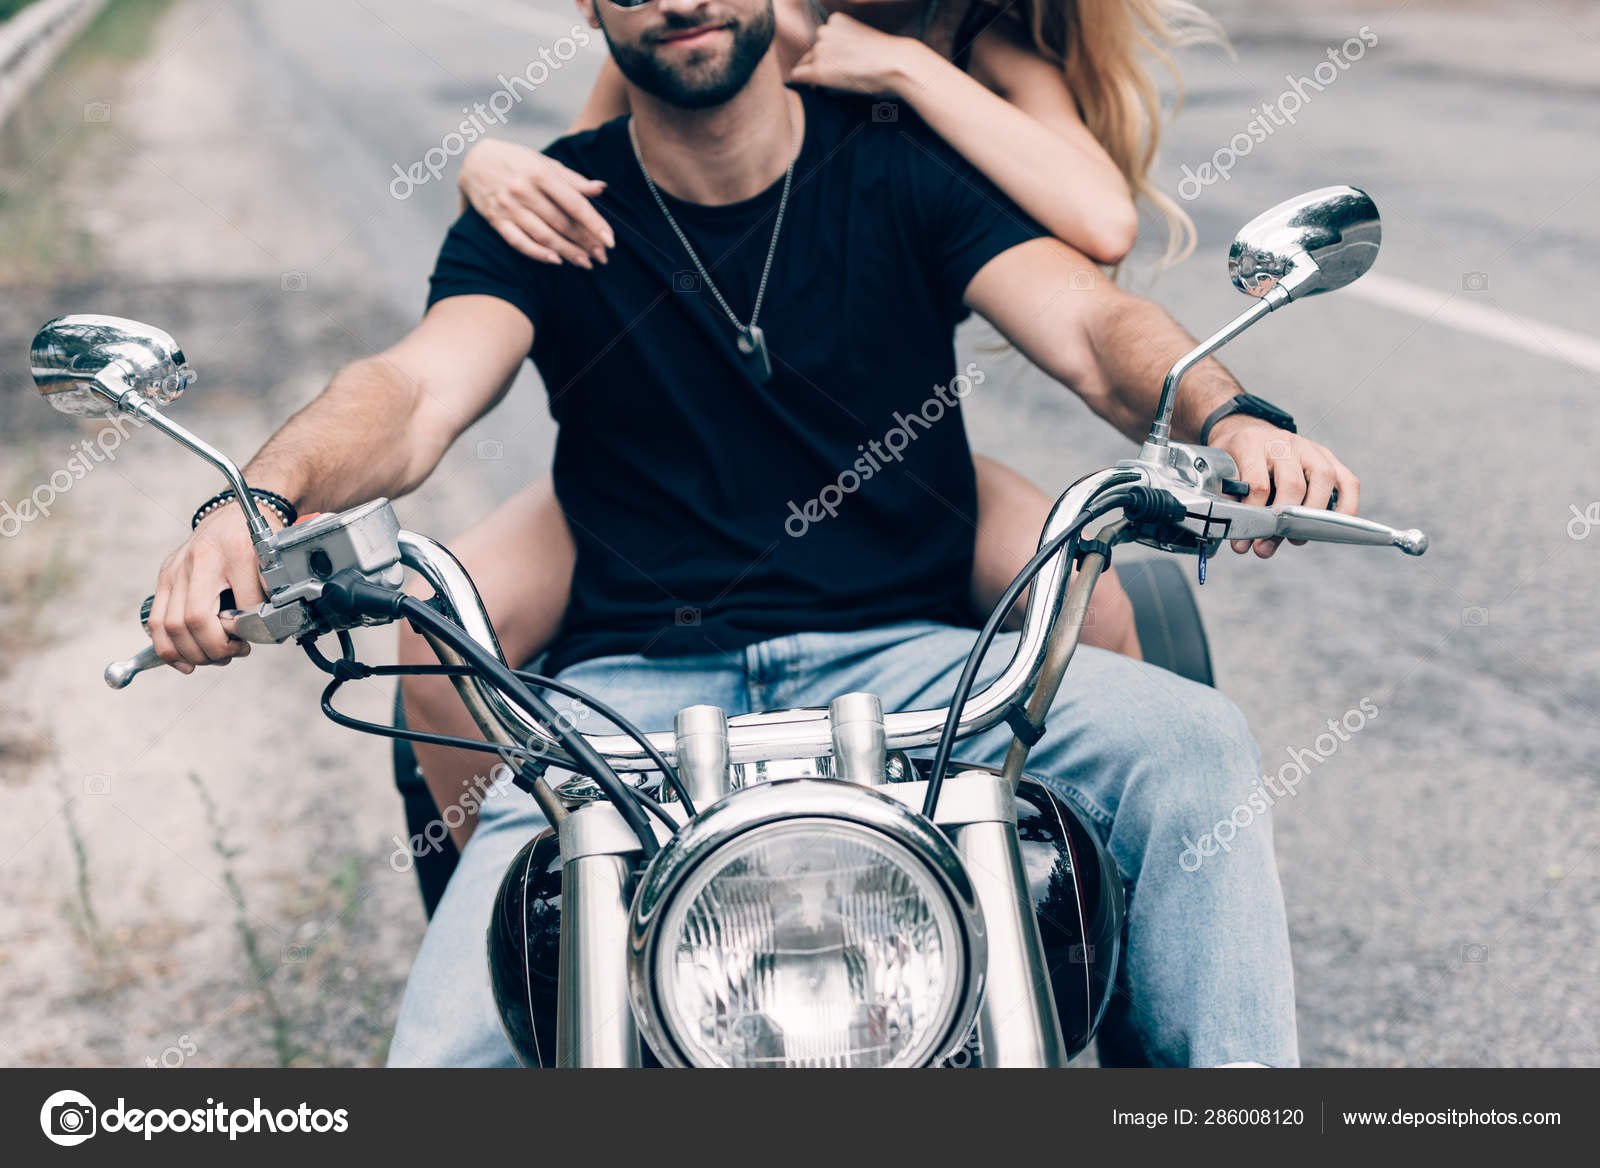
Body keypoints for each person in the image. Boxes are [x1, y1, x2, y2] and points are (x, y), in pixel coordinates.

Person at [148, 0, 1360, 1067]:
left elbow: (1096, 324)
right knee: (453, 1048)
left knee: (1191, 739)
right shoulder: (554, 214)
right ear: (590, 7)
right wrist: (254, 504)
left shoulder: (905, 170)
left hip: (918, 669)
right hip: (617, 717)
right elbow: (410, 394)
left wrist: (1226, 409)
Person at [399, 0, 1226, 840]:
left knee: (1089, 602)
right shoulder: (723, 17)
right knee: (433, 630)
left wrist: (900, 68)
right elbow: (590, 200)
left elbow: (1104, 224)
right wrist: (491, 166)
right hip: (682, 432)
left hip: (874, 418)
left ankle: (1086, 891)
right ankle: (524, 919)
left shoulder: (995, 47)